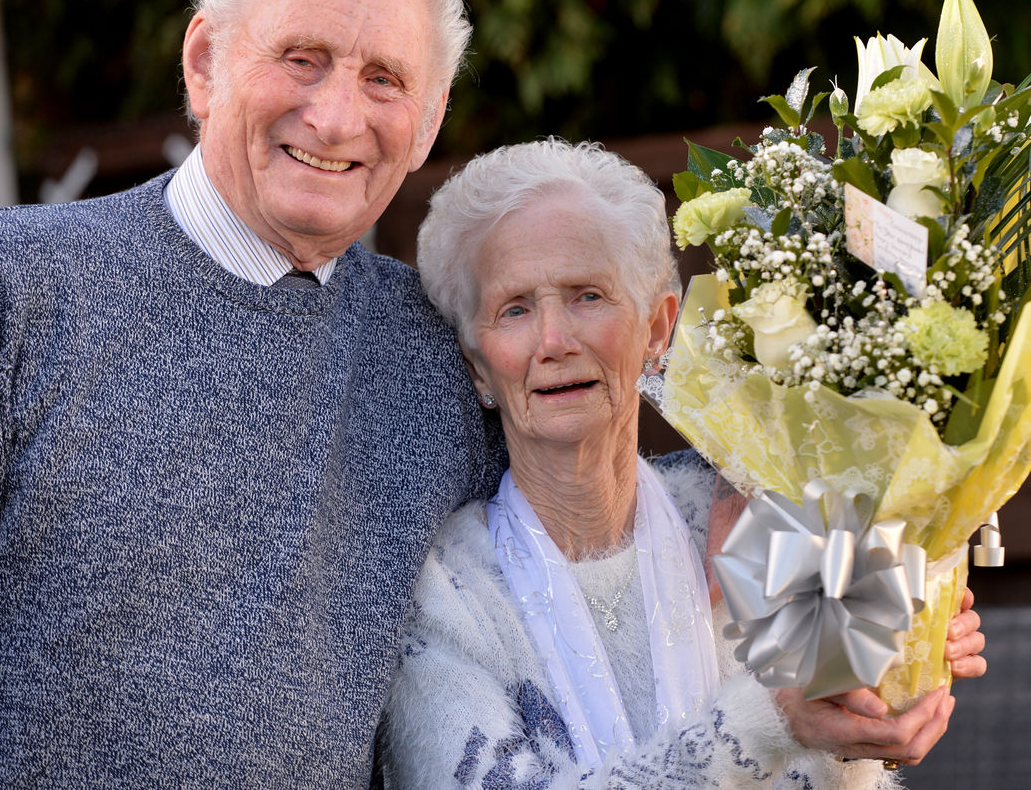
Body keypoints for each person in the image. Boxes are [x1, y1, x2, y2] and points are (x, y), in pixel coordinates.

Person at [0, 0, 504, 788]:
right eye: (302, 58)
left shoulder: (443, 357)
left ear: (429, 120)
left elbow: (585, 544)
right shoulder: (0, 288)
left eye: (385, 80)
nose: (337, 117)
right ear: (204, 62)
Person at [377, 138, 986, 788]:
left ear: (657, 331)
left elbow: (843, 760)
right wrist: (769, 720)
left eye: (588, 296)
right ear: (477, 367)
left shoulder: (751, 512)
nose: (554, 340)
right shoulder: (442, 592)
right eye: (515, 309)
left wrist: (898, 666)